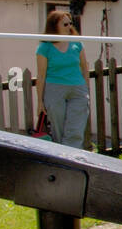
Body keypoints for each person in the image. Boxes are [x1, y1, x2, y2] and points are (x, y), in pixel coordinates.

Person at [35, 10, 90, 149]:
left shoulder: (77, 44)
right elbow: (40, 76)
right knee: (58, 130)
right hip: (54, 89)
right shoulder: (44, 47)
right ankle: (62, 161)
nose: (69, 26)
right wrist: (40, 101)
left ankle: (72, 159)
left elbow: (84, 67)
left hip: (77, 89)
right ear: (54, 26)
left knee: (76, 130)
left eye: (71, 23)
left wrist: (86, 90)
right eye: (65, 24)